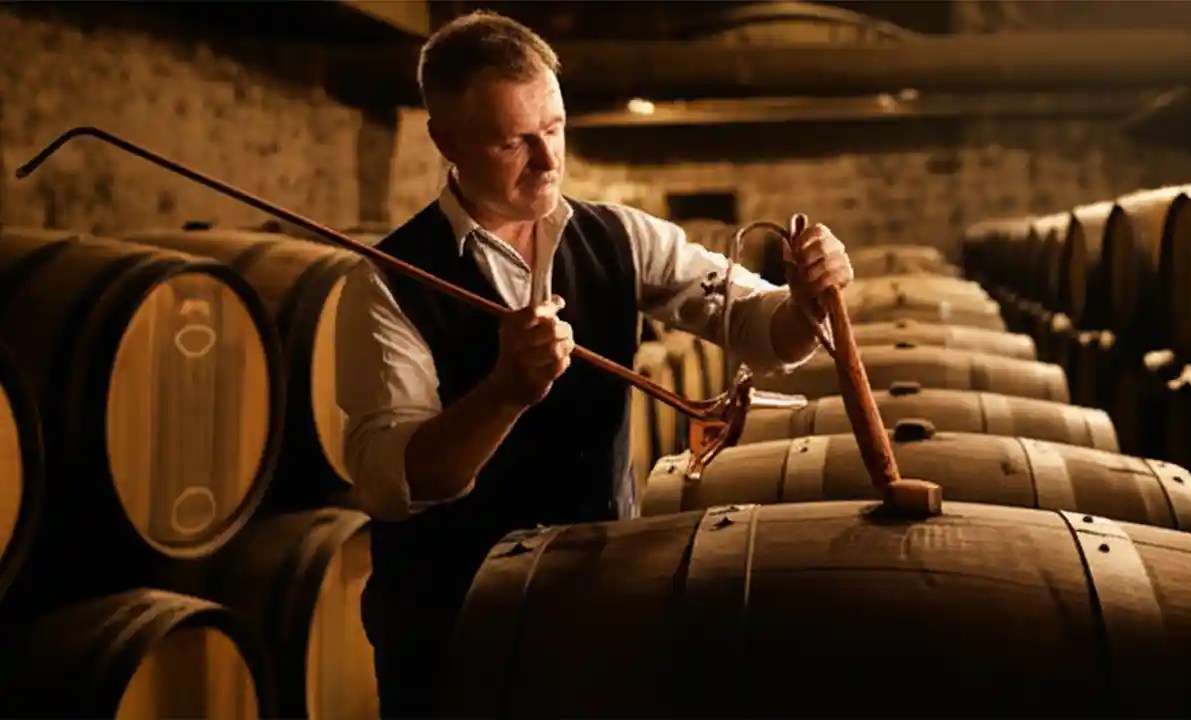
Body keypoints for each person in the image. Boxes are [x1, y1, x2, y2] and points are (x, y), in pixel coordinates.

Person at [334, 10, 855, 717]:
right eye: (514, 141)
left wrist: (807, 303)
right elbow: (393, 481)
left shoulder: (618, 237)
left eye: (554, 128)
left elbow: (758, 330)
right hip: (456, 638)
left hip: (600, 613)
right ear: (446, 139)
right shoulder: (387, 282)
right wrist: (504, 395)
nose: (549, 161)